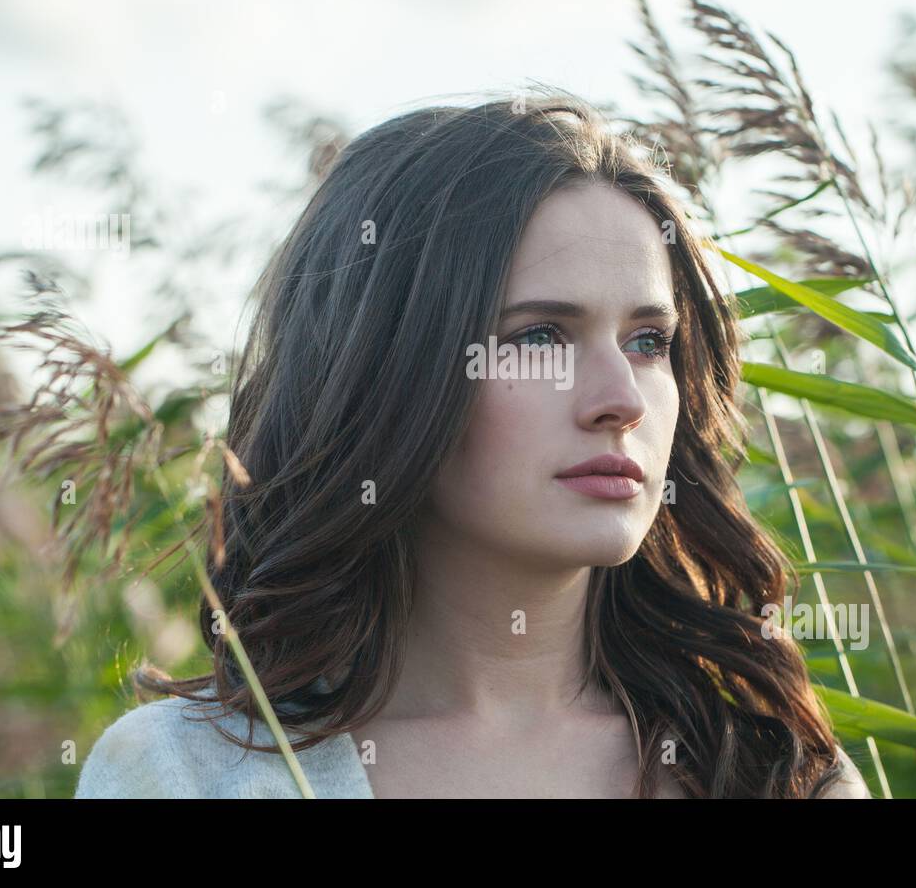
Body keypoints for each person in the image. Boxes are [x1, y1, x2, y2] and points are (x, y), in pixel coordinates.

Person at [75, 89, 871, 799]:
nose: (619, 401)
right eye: (541, 337)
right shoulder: (192, 775)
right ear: (389, 368)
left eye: (648, 341)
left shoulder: (777, 776)